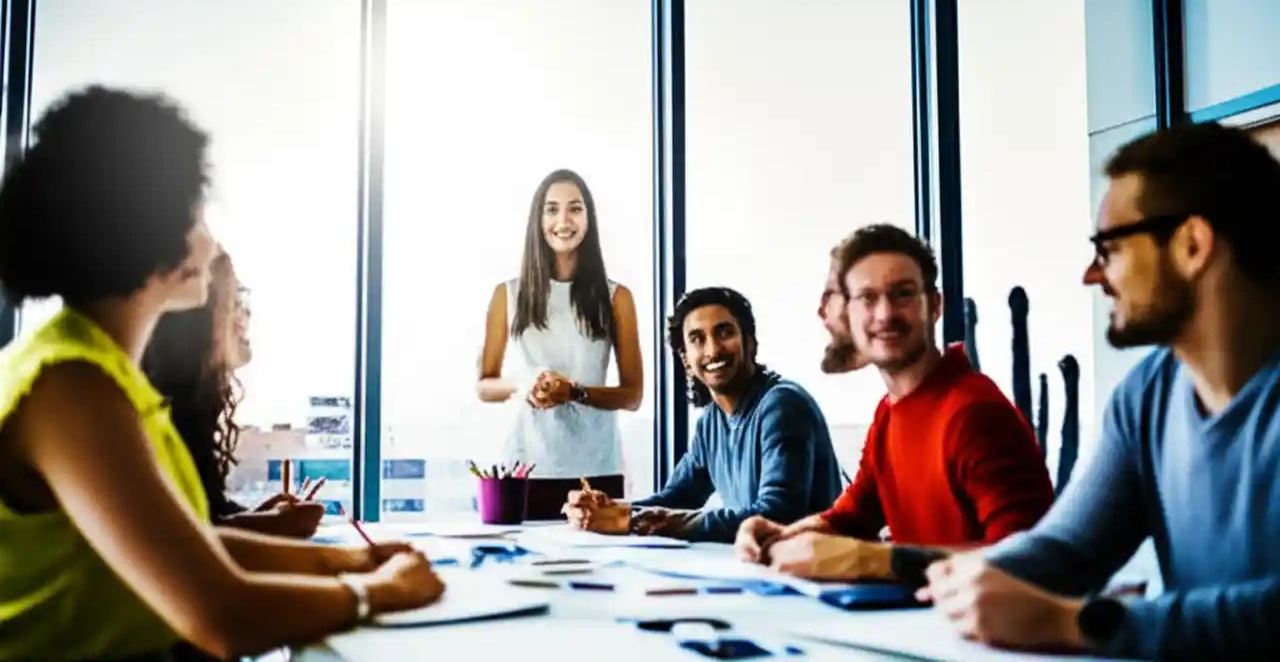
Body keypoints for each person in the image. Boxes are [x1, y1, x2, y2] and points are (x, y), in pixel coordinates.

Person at [0, 87, 441, 660]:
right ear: (152, 233)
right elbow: (221, 615)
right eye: (197, 216)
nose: (210, 244)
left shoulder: (92, 368)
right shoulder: (71, 389)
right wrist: (374, 593)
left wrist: (353, 558)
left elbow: (193, 547)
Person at [920, 122, 1280, 659]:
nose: (1093, 275)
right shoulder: (1146, 395)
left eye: (1107, 247)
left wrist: (1077, 623)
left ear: (1191, 245)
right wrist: (964, 582)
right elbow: (1069, 548)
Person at [736, 224, 1054, 580]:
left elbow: (1030, 559)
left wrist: (872, 559)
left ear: (934, 305)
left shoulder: (973, 412)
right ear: (848, 314)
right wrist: (775, 536)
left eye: (903, 294)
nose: (885, 314)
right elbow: (850, 518)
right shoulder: (890, 412)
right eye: (868, 298)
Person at [563, 287, 843, 542]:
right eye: (697, 339)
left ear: (750, 343)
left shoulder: (782, 405)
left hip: (811, 578)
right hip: (764, 569)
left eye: (725, 333)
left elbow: (775, 515)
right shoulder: (712, 420)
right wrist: (607, 509)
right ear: (685, 358)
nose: (713, 349)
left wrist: (635, 520)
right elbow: (678, 497)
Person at [477, 169, 644, 520]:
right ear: (538, 220)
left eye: (575, 209)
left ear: (589, 219)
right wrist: (526, 384)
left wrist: (574, 392)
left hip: (595, 471)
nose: (563, 220)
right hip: (523, 470)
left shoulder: (616, 298)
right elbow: (485, 384)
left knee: (597, 572)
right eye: (552, 209)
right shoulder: (507, 295)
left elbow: (632, 395)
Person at [143, 251, 326, 539]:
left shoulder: (191, 410)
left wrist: (254, 519)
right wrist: (271, 527)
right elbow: (171, 543)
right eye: (235, 303)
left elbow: (197, 520)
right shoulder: (160, 418)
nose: (246, 316)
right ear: (198, 325)